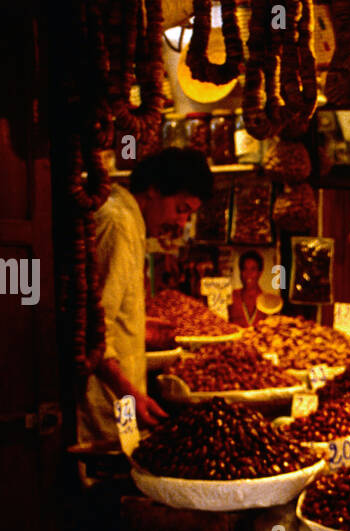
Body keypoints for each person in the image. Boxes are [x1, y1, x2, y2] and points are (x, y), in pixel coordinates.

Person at [76, 148, 213, 448]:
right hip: (104, 399)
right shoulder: (118, 223)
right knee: (101, 485)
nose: (181, 223)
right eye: (181, 208)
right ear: (153, 191)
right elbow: (95, 329)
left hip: (120, 398)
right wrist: (130, 392)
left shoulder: (132, 225)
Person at [228, 250, 281, 328]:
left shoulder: (269, 301)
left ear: (260, 272)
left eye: (253, 269)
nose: (248, 273)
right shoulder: (231, 296)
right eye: (244, 269)